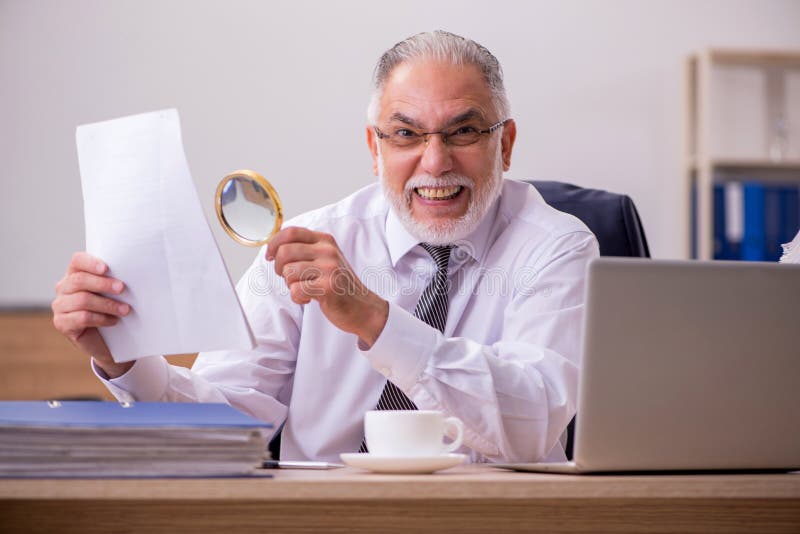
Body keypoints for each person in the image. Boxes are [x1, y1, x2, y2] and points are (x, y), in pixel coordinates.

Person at [52, 31, 598, 463]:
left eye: (463, 132)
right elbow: (224, 428)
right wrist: (125, 360)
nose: (435, 162)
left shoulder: (558, 248)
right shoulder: (307, 247)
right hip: (319, 518)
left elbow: (531, 423)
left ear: (505, 144)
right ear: (374, 148)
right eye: (406, 134)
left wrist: (377, 321)